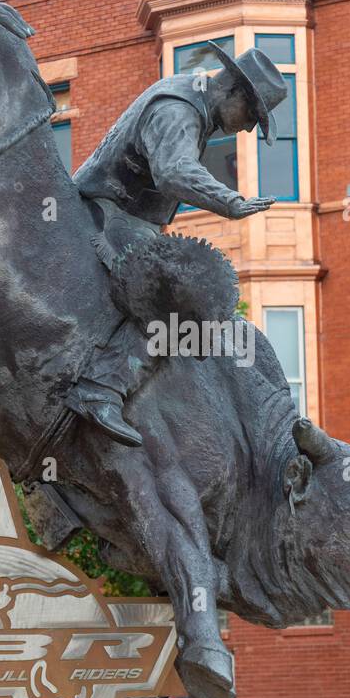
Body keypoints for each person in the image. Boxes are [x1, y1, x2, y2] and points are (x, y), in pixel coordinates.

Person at [66, 42, 288, 446]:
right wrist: (231, 201)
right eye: (252, 116)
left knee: (192, 314)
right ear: (233, 92)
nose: (247, 129)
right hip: (110, 214)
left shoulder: (193, 105)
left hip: (133, 219)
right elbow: (174, 171)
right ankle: (102, 387)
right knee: (177, 298)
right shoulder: (179, 108)